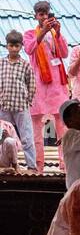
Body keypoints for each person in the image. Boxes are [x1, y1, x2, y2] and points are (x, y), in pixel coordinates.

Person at [23, 2, 68, 170]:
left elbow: (64, 54)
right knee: (37, 128)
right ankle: (39, 164)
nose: (43, 17)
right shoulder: (29, 34)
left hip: (57, 85)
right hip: (38, 86)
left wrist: (58, 33)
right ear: (35, 15)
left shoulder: (55, 33)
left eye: (46, 14)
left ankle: (63, 163)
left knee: (61, 126)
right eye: (40, 14)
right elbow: (28, 49)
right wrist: (43, 32)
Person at [1, 30, 38, 170]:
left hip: (21, 106)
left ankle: (31, 166)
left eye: (17, 46)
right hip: (4, 106)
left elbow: (32, 84)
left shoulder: (25, 65)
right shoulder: (1, 63)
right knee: (3, 137)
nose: (14, 49)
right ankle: (6, 163)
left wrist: (27, 100)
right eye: (11, 46)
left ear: (21, 46)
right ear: (7, 46)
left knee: (26, 137)